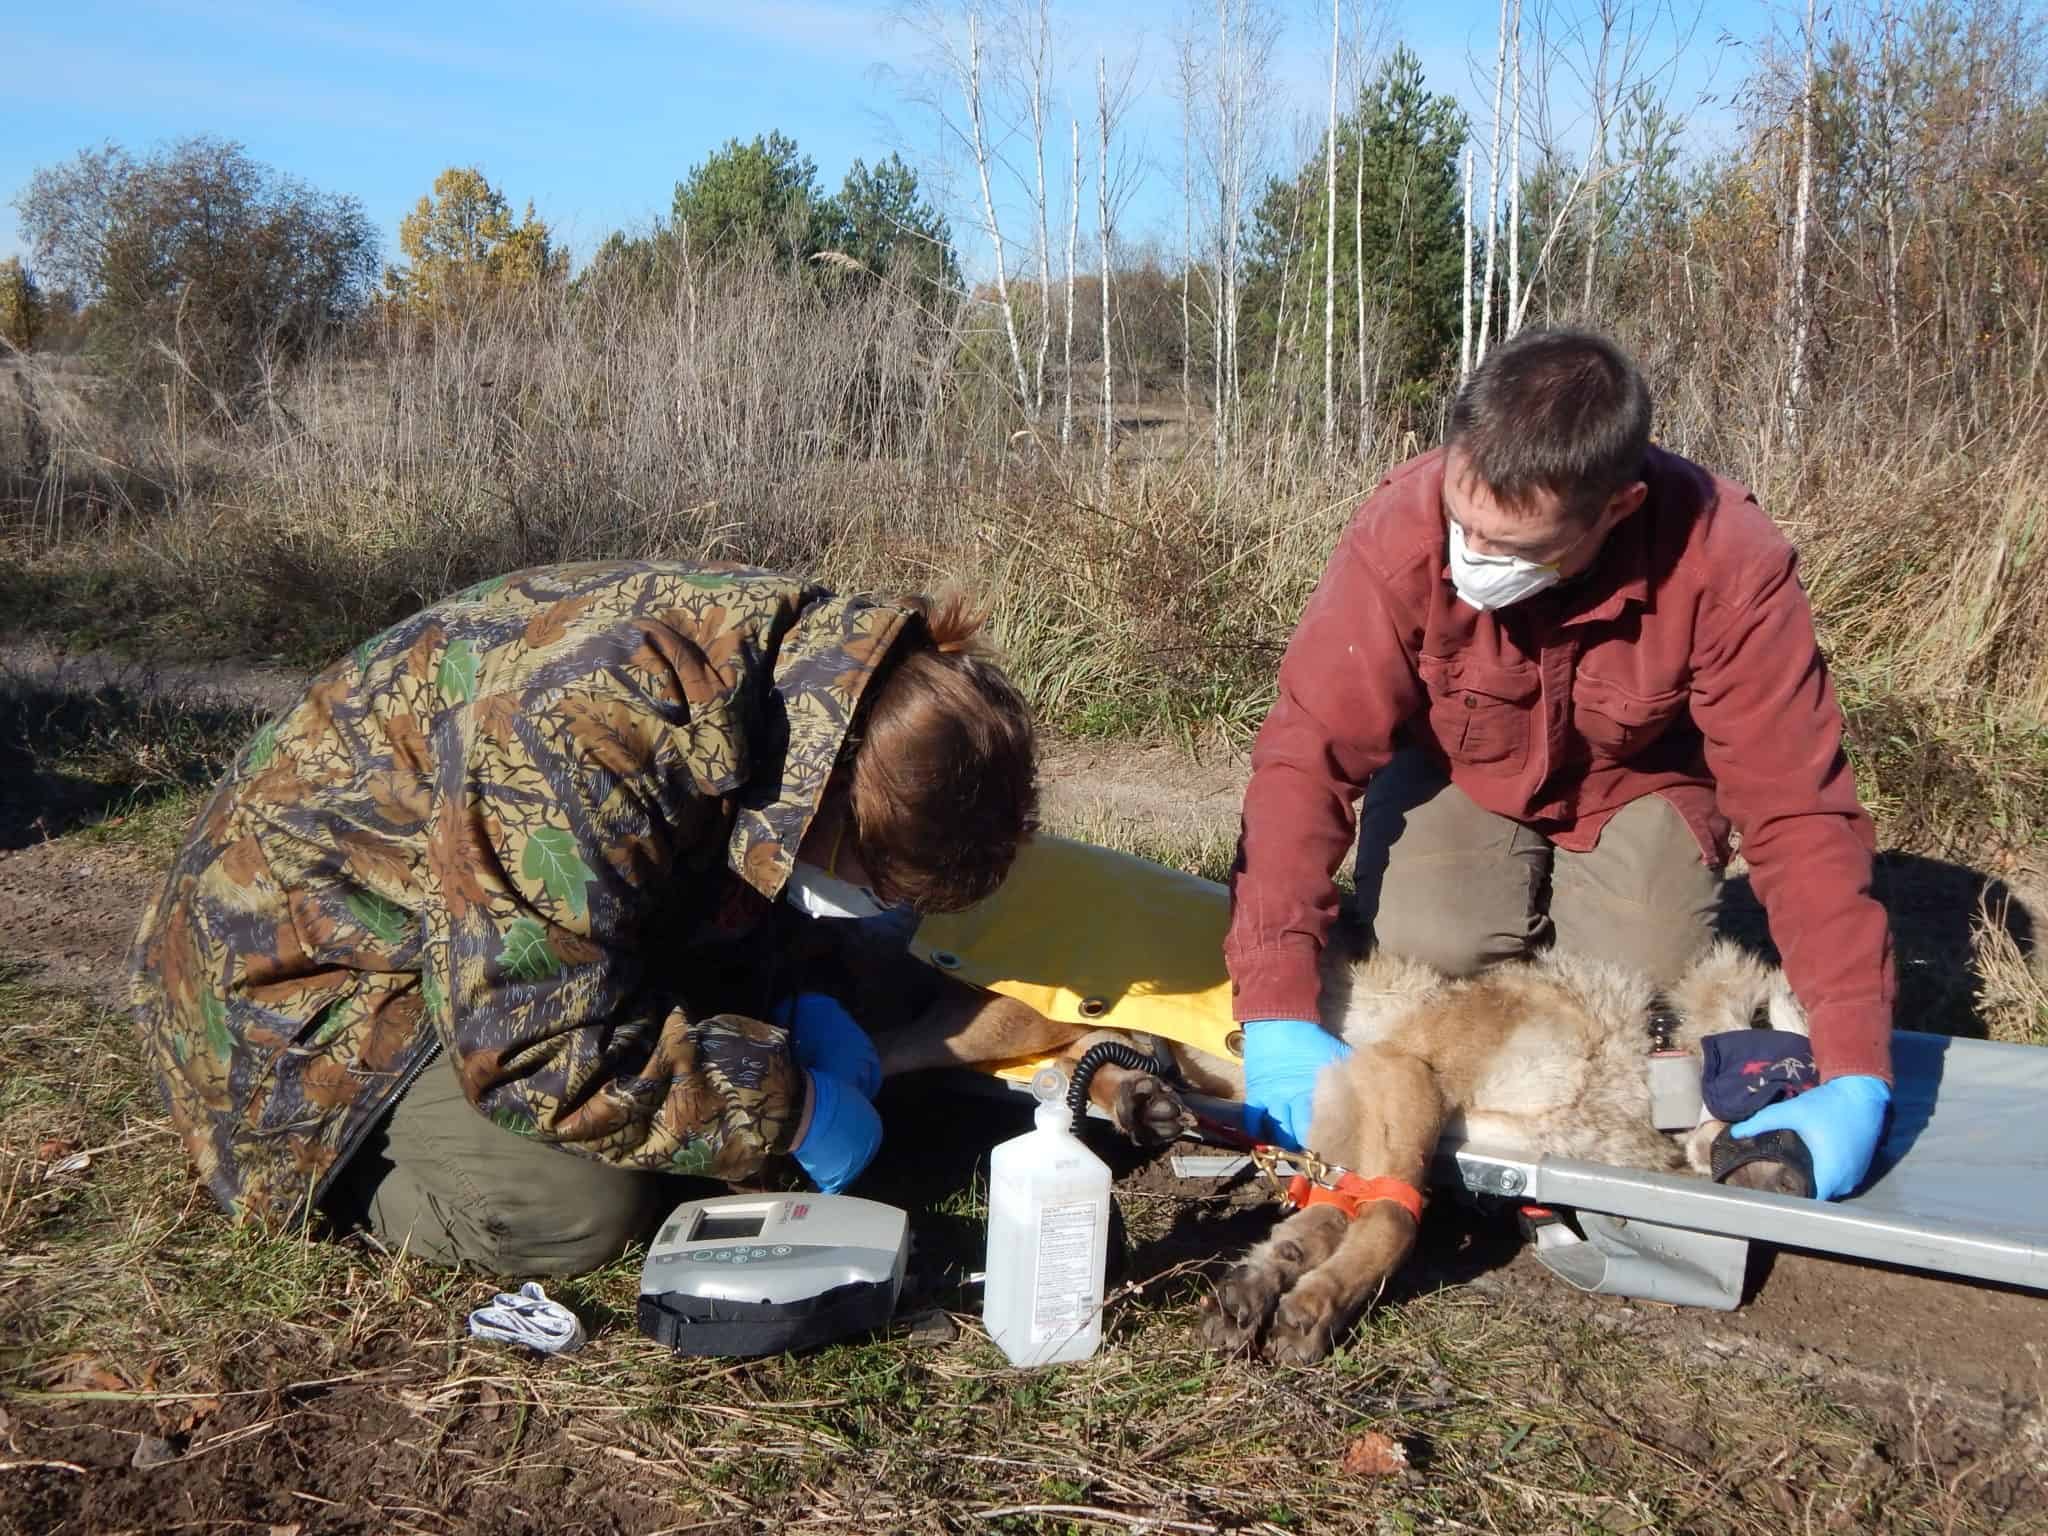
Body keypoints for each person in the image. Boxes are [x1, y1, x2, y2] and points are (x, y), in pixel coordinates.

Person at [131, 561, 1037, 1275]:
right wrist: (787, 1110)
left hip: (466, 926)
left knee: (753, 1025)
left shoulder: (805, 678)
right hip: (302, 998)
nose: (876, 905)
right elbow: (538, 1054)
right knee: (578, 1210)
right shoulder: (580, 730)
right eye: (874, 878)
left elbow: (691, 860)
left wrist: (795, 990)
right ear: (838, 796)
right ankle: (353, 1180)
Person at [1225, 330, 1895, 1202]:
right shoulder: (1401, 525)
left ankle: (1581, 922)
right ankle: (1503, 919)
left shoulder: (1730, 562)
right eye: (1464, 527)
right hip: (1463, 771)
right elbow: (1303, 758)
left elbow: (1799, 813)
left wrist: (1853, 1065)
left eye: (1512, 550)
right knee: (1432, 945)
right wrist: (1275, 1004)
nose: (1473, 565)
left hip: (1640, 783)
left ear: (1616, 509)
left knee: (1641, 992)